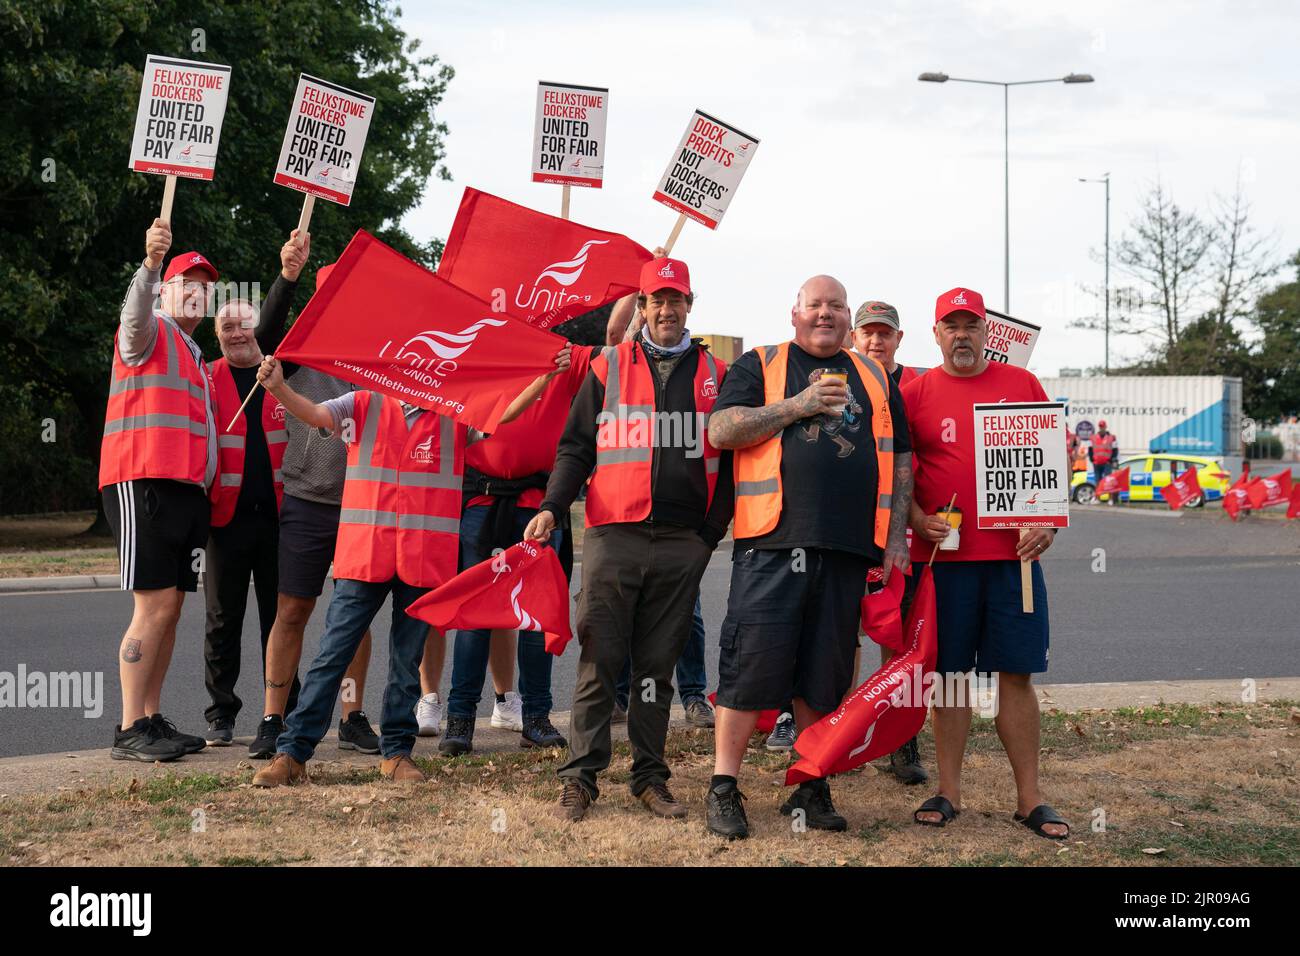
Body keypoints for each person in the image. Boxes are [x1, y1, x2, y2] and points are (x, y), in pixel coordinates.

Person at [251, 345, 569, 787]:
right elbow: (315, 414)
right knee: (331, 657)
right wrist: (280, 387)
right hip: (365, 555)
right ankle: (293, 753)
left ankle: (396, 754)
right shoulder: (362, 403)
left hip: (422, 561)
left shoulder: (452, 411)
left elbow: (502, 416)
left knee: (406, 663)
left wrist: (543, 380)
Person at [524, 256, 733, 822]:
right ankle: (581, 778)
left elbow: (734, 462)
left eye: (677, 299)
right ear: (642, 307)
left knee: (656, 670)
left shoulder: (718, 374)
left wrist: (707, 537)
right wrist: (550, 506)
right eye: (657, 300)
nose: (667, 309)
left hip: (681, 542)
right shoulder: (608, 367)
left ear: (691, 305)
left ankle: (649, 777)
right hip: (613, 534)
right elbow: (575, 448)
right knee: (600, 659)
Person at [703, 276, 912, 840]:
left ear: (847, 319)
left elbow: (902, 457)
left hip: (846, 548)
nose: (826, 314)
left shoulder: (874, 377)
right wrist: (796, 405)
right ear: (795, 312)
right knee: (749, 668)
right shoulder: (760, 363)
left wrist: (894, 538)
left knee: (825, 675)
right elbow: (721, 430)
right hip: (772, 542)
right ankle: (725, 787)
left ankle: (811, 781)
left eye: (836, 306)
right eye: (815, 305)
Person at [905, 287, 1069, 840]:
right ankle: (949, 790)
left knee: (1015, 676)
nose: (961, 335)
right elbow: (899, 469)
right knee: (950, 679)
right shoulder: (916, 391)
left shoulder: (1020, 385)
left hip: (1011, 561)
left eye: (970, 325)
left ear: (985, 331)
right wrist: (916, 513)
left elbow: (1052, 462)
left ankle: (1030, 798)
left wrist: (1046, 522)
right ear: (936, 334)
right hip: (946, 561)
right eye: (950, 326)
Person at [438, 334, 604, 755]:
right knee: (476, 614)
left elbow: (623, 349)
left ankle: (536, 718)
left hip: (540, 503)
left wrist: (637, 301)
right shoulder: (479, 351)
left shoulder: (567, 354)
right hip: (482, 500)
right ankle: (460, 721)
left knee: (537, 613)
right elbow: (485, 418)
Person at [249, 256, 377, 759]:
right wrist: (287, 274)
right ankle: (272, 718)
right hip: (307, 500)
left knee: (355, 617)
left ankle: (351, 716)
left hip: (362, 505)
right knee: (292, 610)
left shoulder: (377, 353)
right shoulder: (301, 350)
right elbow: (265, 334)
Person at [101, 219, 218, 761]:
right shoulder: (148, 329)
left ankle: (149, 717)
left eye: (205, 287)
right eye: (185, 283)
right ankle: (129, 729)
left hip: (185, 492)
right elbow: (132, 315)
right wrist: (150, 265)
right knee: (152, 607)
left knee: (170, 608)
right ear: (166, 292)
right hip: (143, 479)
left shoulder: (194, 353)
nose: (196, 293)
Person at [200, 296, 294, 745]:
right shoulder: (207, 378)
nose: (236, 333)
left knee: (280, 617)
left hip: (281, 517)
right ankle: (221, 713)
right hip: (226, 518)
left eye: (244, 325)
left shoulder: (280, 372)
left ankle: (282, 711)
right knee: (222, 617)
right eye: (226, 327)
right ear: (216, 335)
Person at [849, 300, 927, 785]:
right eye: (868, 333)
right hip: (849, 528)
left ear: (900, 339)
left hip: (904, 533)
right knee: (840, 636)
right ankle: (841, 731)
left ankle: (899, 740)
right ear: (853, 338)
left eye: (885, 333)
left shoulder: (918, 385)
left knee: (898, 637)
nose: (876, 341)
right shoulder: (839, 378)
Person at [1089, 420, 1118, 500]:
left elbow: (1115, 450)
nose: (1102, 428)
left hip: (1107, 463)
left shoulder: (1111, 437)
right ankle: (1097, 498)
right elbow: (1090, 450)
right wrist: (1092, 459)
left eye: (1103, 426)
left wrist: (1111, 460)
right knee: (1097, 481)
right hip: (1097, 463)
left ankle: (1110, 499)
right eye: (1100, 426)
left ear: (1105, 427)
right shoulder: (1093, 437)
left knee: (1108, 481)